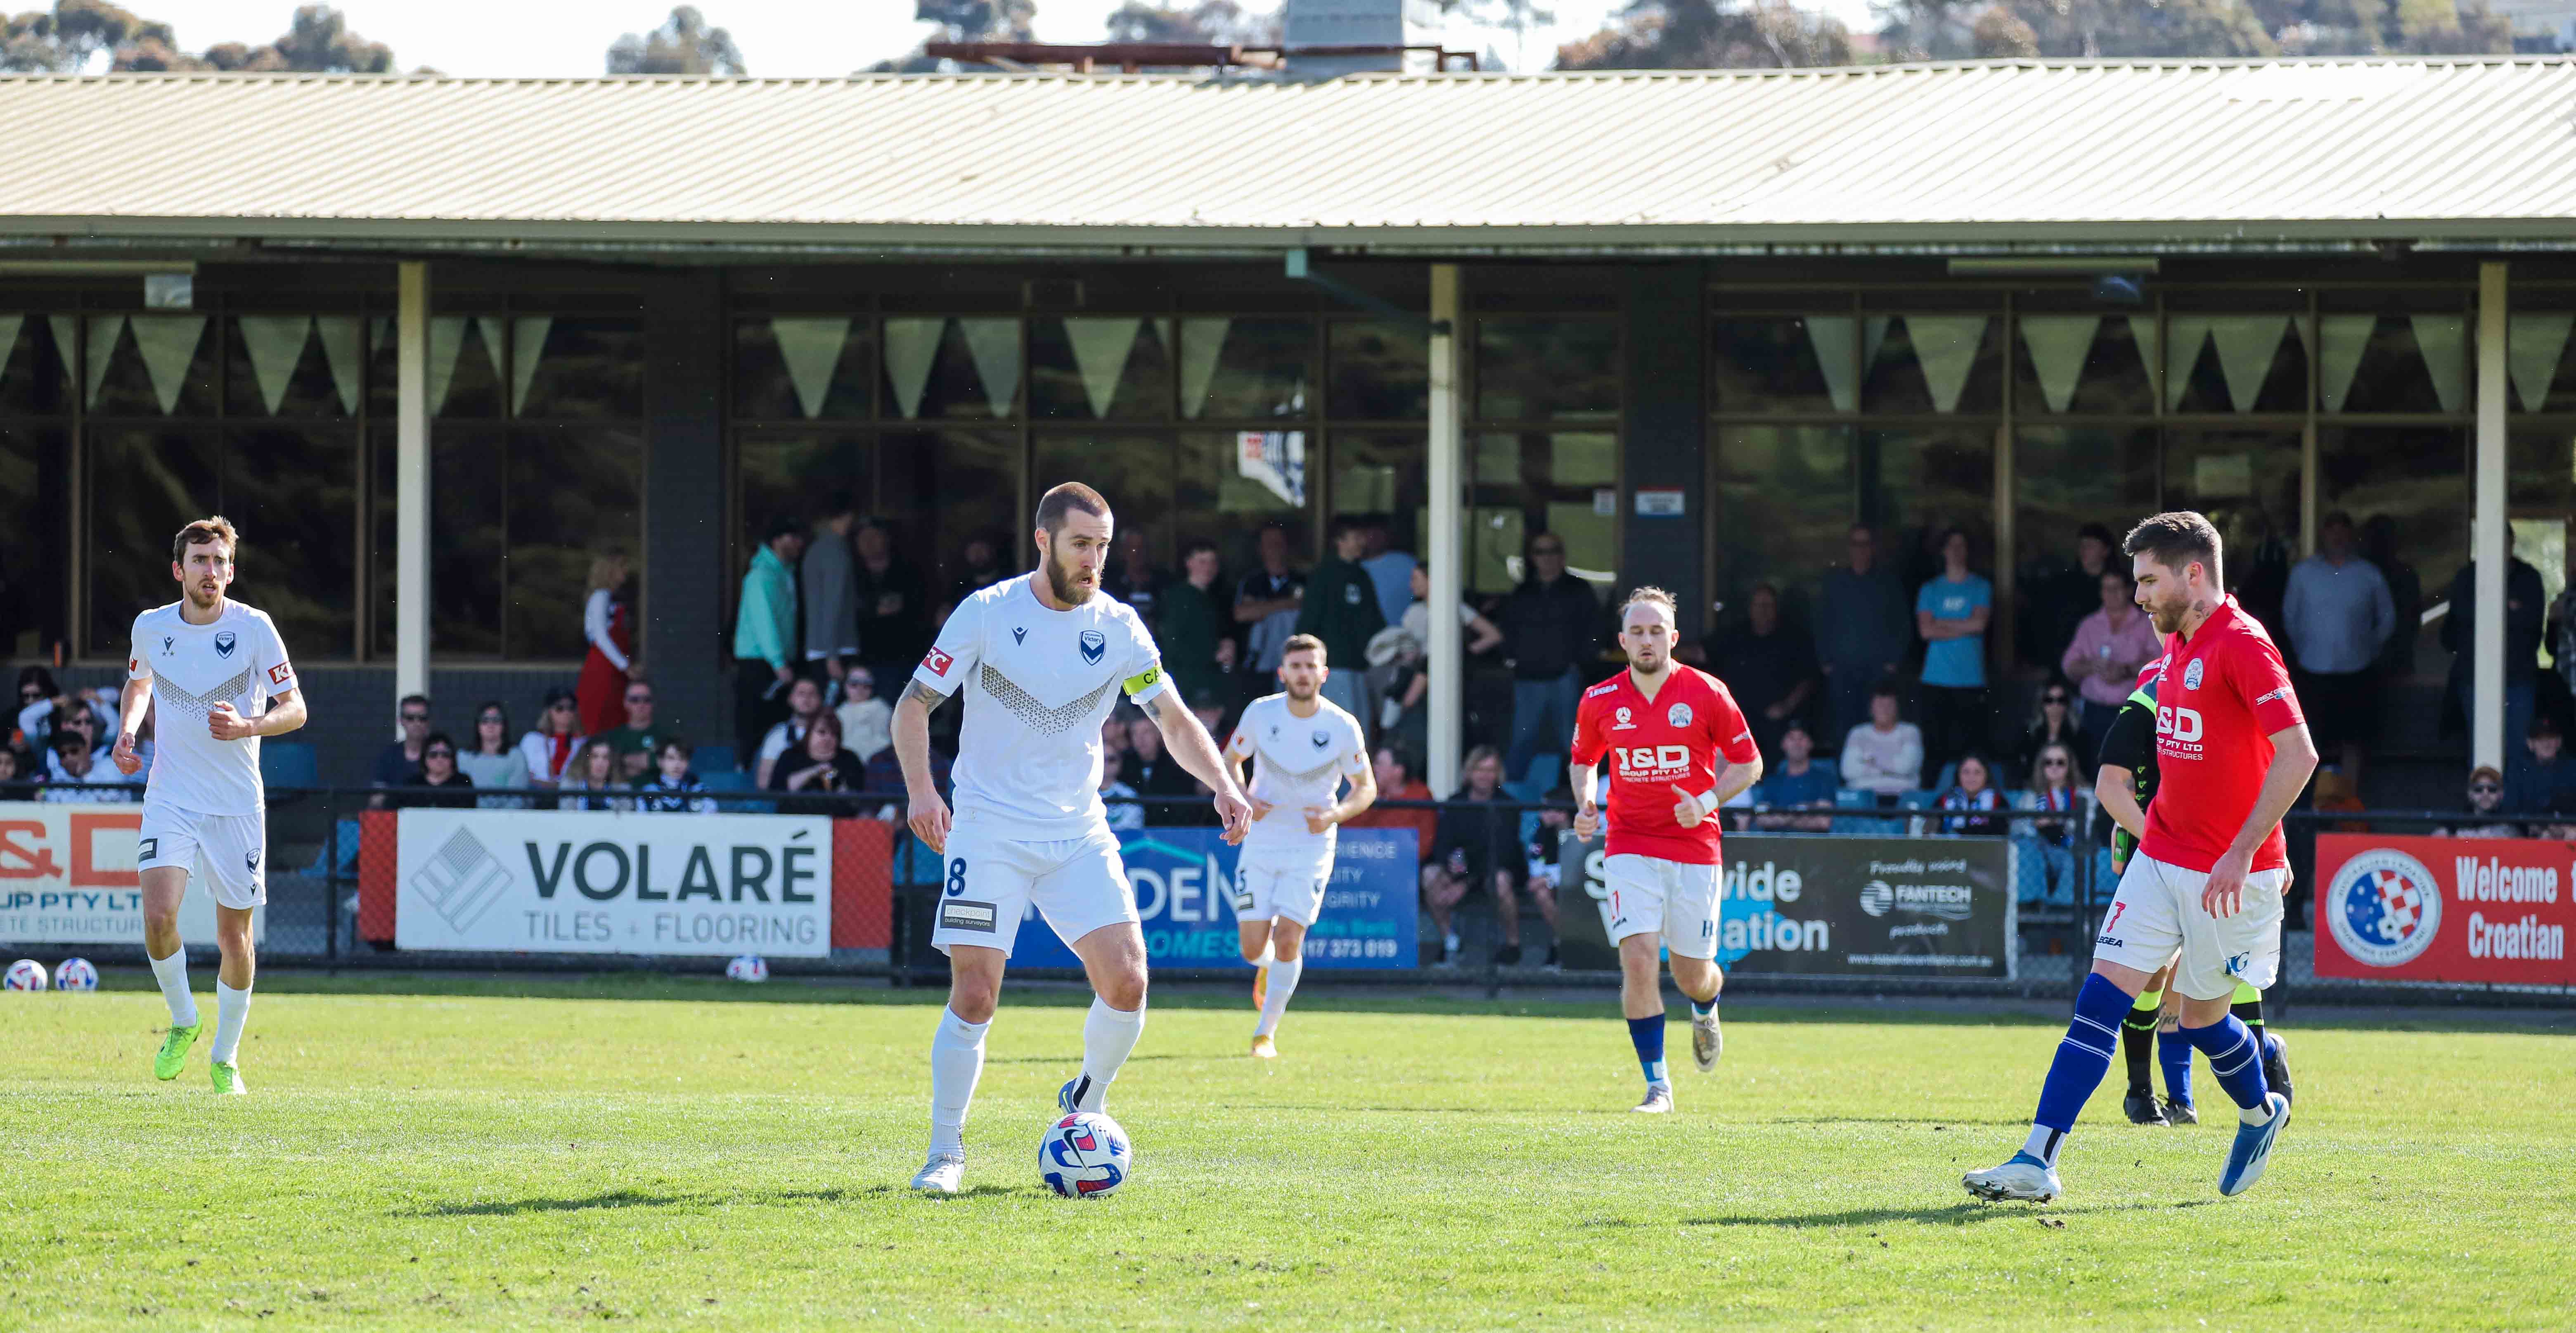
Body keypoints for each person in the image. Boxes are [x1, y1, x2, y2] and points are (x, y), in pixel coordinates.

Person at [894, 481, 1250, 1195]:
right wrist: (923, 792)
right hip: (988, 829)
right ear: (1044, 541)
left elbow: (1172, 718)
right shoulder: (988, 613)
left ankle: (1087, 1099)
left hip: (1078, 831)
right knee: (976, 995)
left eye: (1103, 546)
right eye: (1082, 544)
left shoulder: (1120, 627)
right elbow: (913, 704)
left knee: (1129, 981)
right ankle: (944, 1152)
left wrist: (1222, 782)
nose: (1095, 560)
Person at [1966, 510, 2312, 1205]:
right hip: (2161, 859)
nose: (2139, 596)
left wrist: (2244, 851)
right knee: (2098, 1001)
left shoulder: (2243, 645)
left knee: (2204, 1021)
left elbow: (2298, 755)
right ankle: (2037, 1159)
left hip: (2230, 876)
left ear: (2194, 574)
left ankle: (2258, 1112)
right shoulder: (2175, 644)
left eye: (2150, 580)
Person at [112, 516, 308, 1098]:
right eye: (200, 560)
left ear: (232, 570)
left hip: (235, 804)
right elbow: (139, 683)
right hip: (170, 795)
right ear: (179, 570)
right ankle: (183, 1020)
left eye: (220, 561)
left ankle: (226, 1058)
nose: (211, 570)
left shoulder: (255, 627)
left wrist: (248, 725)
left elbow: (295, 708)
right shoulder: (151, 626)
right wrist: (128, 731)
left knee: (234, 938)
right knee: (158, 918)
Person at [1570, 586, 1764, 1114]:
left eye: (1656, 631)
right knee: (1637, 959)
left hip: (1694, 847)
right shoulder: (1600, 699)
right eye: (1637, 631)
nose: (1647, 640)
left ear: (1673, 638)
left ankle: (1706, 1005)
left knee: (1691, 974)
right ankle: (1658, 1087)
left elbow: (1749, 764)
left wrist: (1705, 801)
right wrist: (1586, 803)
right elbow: (1584, 760)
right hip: (1628, 842)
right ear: (1622, 640)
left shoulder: (1707, 692)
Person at [2093, 658, 2294, 1129]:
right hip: (2154, 846)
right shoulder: (2149, 689)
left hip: (2220, 848)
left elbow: (2261, 773)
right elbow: (2120, 780)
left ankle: (2262, 1064)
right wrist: (2132, 832)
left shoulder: (2231, 683)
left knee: (2231, 965)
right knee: (2152, 973)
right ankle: (2142, 1091)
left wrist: (2275, 847)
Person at [1221, 633, 1375, 1058]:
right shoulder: (1260, 713)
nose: (1303, 674)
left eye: (1311, 666)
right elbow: (1230, 760)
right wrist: (1244, 799)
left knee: (1290, 938)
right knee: (1253, 948)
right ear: (1282, 672)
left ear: (1324, 674)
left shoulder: (1342, 725)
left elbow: (1366, 788)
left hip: (1311, 844)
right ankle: (1267, 968)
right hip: (1262, 840)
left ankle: (1265, 1034)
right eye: (1296, 666)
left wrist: (1334, 815)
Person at [2282, 511, 2395, 790]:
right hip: (2313, 671)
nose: (2337, 538)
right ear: (2323, 535)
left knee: (2354, 739)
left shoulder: (2368, 574)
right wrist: (2304, 651)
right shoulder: (2303, 574)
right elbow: (2290, 618)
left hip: (2357, 670)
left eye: (2342, 531)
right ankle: (2309, 800)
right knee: (2310, 739)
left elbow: (2387, 617)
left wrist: (2370, 649)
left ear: (2351, 536)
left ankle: (2349, 801)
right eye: (2332, 531)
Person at [1423, 745, 1549, 967]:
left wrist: (1466, 883)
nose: (1485, 776)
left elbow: (1503, 852)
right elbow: (1443, 843)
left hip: (1498, 869)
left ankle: (1513, 945)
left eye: (1491, 770)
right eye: (1480, 770)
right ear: (1470, 772)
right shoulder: (1456, 802)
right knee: (1430, 874)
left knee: (1500, 881)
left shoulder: (1508, 804)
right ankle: (1451, 942)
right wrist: (1449, 869)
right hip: (1464, 870)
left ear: (1498, 774)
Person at [1498, 531, 1602, 782]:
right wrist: (1513, 658)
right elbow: (1508, 630)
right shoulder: (1522, 592)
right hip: (1527, 678)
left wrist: (1579, 664)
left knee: (1572, 742)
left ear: (1562, 555)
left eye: (1553, 551)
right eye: (1540, 552)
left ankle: (1576, 796)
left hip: (1565, 677)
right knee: (1521, 741)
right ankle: (1510, 799)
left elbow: (1596, 630)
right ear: (1533, 557)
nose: (1547, 557)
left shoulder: (1579, 590)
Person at [2439, 542, 2545, 750]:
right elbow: (2458, 622)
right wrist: (2509, 607)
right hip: (2475, 676)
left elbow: (2533, 626)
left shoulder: (2528, 578)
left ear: (2512, 545)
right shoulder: (2466, 578)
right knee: (2480, 747)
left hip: (2518, 677)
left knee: (2518, 746)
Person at [1696, 582, 1818, 763]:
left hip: (1778, 720)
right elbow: (1702, 654)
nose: (1763, 610)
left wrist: (1787, 706)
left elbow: (1808, 678)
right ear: (1750, 608)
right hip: (1739, 718)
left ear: (1776, 608)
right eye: (1758, 605)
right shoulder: (1735, 635)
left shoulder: (1794, 638)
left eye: (1768, 605)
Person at [1817, 524, 1913, 747]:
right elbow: (1822, 622)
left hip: (1878, 671)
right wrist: (1825, 661)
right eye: (1856, 544)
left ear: (1873, 548)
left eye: (1866, 543)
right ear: (1849, 548)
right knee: (1843, 727)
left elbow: (1903, 625)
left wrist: (1893, 661)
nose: (1861, 549)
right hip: (1842, 670)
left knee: (1878, 726)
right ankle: (1845, 770)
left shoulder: (1888, 583)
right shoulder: (1835, 583)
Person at [1293, 517, 1387, 726]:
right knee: (1340, 725)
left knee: (1361, 727)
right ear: (1339, 541)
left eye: (1362, 537)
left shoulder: (1362, 576)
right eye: (1356, 537)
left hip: (1362, 667)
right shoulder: (1324, 574)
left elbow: (1375, 621)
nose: (1362, 542)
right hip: (1334, 666)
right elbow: (1309, 619)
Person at [1915, 527, 1993, 777]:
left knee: (1970, 752)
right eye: (1952, 545)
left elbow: (1979, 625)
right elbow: (1926, 631)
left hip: (1970, 679)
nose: (1957, 551)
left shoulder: (1980, 587)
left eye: (1962, 545)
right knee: (1934, 751)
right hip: (1935, 678)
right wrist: (1964, 625)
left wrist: (1941, 623)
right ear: (1944, 550)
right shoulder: (1930, 589)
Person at [2060, 567, 2159, 763]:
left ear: (2129, 590)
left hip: (2134, 710)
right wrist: (2092, 667)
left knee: (2133, 769)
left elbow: (2161, 664)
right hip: (2095, 713)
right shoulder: (2089, 625)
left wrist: (2126, 670)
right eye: (2107, 589)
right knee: (2095, 767)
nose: (2111, 594)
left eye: (2117, 588)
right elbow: (2069, 666)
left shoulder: (2147, 623)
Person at [732, 514, 803, 763]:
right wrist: (779, 662)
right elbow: (764, 621)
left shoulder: (785, 573)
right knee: (754, 727)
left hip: (778, 662)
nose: (799, 543)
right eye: (793, 537)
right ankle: (748, 779)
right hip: (760, 663)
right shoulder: (761, 576)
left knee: (777, 728)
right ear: (776, 541)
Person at [1158, 538, 1238, 714]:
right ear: (1189, 563)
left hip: (1211, 682)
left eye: (1213, 562)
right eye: (1202, 562)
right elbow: (1172, 645)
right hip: (1186, 686)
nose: (1208, 568)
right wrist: (1214, 654)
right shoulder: (1177, 598)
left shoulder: (1216, 598)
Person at [853, 517, 932, 689]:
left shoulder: (907, 572)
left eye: (874, 536)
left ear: (886, 538)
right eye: (863, 538)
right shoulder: (853, 575)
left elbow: (921, 611)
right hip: (863, 658)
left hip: (903, 658)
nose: (868, 543)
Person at [2028, 524, 2117, 675]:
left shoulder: (2118, 587)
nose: (2084, 550)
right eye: (2082, 546)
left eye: (2090, 546)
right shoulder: (2063, 586)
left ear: (2106, 551)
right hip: (2068, 665)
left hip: (2110, 664)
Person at [802, 493, 861, 696]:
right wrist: (832, 654)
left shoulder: (816, 549)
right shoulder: (835, 551)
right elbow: (833, 604)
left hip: (821, 647)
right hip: (836, 648)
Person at [2012, 744, 2087, 905]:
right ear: (2041, 766)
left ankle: (2063, 903)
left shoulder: (2084, 794)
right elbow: (2018, 828)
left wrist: (2059, 824)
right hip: (2040, 848)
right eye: (2049, 762)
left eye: (2060, 762)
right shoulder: (2030, 796)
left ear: (2069, 766)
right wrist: (2036, 825)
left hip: (2070, 847)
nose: (2054, 767)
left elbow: (2088, 828)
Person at [575, 549, 638, 738]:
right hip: (605, 669)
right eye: (622, 567)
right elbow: (600, 637)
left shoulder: (609, 598)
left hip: (612, 669)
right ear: (610, 571)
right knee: (603, 719)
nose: (626, 571)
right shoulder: (601, 597)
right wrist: (625, 665)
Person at [1235, 523, 1307, 686]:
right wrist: (1287, 604)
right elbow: (1242, 614)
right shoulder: (1252, 582)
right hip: (1258, 666)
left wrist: (1263, 608)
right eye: (1269, 544)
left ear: (1287, 547)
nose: (1275, 548)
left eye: (1279, 543)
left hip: (1294, 663)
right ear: (1260, 549)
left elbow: (1306, 609)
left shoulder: (1302, 580)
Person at [1345, 745, 1436, 861]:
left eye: (1380, 764)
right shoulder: (1369, 794)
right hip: (1366, 862)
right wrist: (1371, 802)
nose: (1374, 768)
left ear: (1398, 771)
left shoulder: (1420, 796)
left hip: (1405, 865)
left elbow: (1424, 845)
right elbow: (1347, 835)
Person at [766, 711, 866, 810]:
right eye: (822, 732)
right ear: (809, 733)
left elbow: (858, 801)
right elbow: (776, 793)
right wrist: (814, 772)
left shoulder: (850, 759)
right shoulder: (790, 756)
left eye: (834, 734)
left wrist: (835, 781)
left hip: (838, 817)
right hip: (794, 816)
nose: (828, 738)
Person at [1839, 682, 1924, 795]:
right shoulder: (1858, 733)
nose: (1885, 710)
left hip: (1901, 797)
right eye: (1880, 705)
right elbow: (1848, 771)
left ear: (1897, 708)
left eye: (1890, 705)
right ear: (1871, 708)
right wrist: (1891, 766)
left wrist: (1870, 761)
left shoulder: (1910, 732)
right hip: (1864, 798)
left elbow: (1906, 767)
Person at [1752, 721, 1836, 833]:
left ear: (1811, 744)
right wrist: (1799, 812)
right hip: (1778, 842)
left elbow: (1823, 822)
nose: (1797, 744)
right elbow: (1761, 820)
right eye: (1792, 738)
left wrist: (1782, 818)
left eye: (1802, 738)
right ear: (1783, 744)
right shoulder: (1773, 781)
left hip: (1810, 842)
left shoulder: (1824, 779)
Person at [596, 681, 680, 784]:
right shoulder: (612, 736)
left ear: (654, 703)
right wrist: (649, 761)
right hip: (620, 792)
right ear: (625, 703)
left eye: (647, 700)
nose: (641, 705)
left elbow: (675, 764)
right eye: (635, 700)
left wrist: (623, 760)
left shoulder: (666, 736)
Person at [456, 700, 533, 809]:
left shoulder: (516, 756)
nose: (490, 725)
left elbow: (517, 798)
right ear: (478, 725)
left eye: (496, 720)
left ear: (504, 725)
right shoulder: (463, 757)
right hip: (470, 816)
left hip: (508, 817)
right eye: (485, 720)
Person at [755, 676, 829, 788]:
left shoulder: (831, 734)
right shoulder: (778, 736)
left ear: (820, 700)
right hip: (787, 797)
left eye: (812, 694)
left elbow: (834, 772)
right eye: (801, 694)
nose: (807, 698)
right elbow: (764, 783)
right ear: (791, 699)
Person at [2503, 713, 2576, 816]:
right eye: (2540, 739)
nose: (2546, 744)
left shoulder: (2572, 769)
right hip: (2528, 826)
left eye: (2551, 738)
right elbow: (2511, 809)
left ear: (2559, 742)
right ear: (2530, 744)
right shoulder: (2518, 771)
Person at [41, 725, 137, 802]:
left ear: (86, 750)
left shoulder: (110, 766)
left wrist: (86, 775)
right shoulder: (58, 780)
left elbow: (111, 800)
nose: (68, 758)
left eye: (74, 751)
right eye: (62, 755)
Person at [2016, 682, 2086, 784]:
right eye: (2049, 700)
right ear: (2041, 703)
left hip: (2071, 788)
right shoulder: (2029, 732)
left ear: (2067, 703)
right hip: (2034, 787)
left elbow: (2084, 768)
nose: (2055, 705)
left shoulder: (2080, 734)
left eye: (2061, 700)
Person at [518, 687, 585, 791]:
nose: (566, 712)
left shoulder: (583, 743)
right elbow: (524, 776)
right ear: (549, 711)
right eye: (560, 708)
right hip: (536, 795)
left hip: (570, 797)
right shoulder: (531, 740)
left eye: (571, 708)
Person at [369, 693, 431, 806]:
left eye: (422, 718)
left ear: (428, 721)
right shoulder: (388, 756)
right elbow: (376, 799)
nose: (417, 723)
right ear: (401, 721)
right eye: (410, 718)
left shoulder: (440, 755)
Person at [1358, 515, 1416, 627]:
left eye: (1379, 534)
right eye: (1370, 534)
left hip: (1403, 632)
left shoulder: (1406, 563)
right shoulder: (1355, 567)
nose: (1374, 539)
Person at [1102, 528, 1167, 628]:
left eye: (1142, 548)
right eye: (1132, 549)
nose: (1138, 554)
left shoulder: (1163, 582)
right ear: (1122, 551)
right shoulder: (1110, 583)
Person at [634, 738, 715, 814]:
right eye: (671, 758)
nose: (677, 765)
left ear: (689, 762)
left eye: (682, 759)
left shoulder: (702, 792)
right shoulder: (646, 793)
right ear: (660, 761)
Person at [2438, 764, 2520, 839]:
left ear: (2501, 794)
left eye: (2492, 789)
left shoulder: (2511, 828)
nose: (2485, 794)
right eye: (2478, 789)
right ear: (2470, 794)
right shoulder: (2455, 825)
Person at [1934, 753, 2007, 836]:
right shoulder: (1943, 802)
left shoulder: (1999, 803)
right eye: (1966, 772)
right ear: (1958, 775)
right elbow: (1931, 833)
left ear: (1987, 775)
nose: (1971, 777)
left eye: (1977, 773)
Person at [833, 666, 894, 764]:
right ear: (845, 685)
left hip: (878, 764)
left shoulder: (882, 708)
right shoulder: (838, 713)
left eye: (867, 684)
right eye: (854, 683)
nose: (860, 688)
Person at [406, 733, 476, 809]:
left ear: (452, 758)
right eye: (433, 754)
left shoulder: (463, 782)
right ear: (424, 758)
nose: (440, 759)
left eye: (445, 754)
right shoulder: (413, 784)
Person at [557, 739, 630, 812]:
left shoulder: (621, 788)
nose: (600, 763)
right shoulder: (571, 785)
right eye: (595, 757)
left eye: (606, 758)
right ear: (585, 760)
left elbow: (626, 815)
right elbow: (567, 814)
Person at [1099, 748, 1144, 832]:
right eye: (1102, 759)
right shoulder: (1085, 794)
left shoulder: (1129, 794)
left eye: (1112, 759)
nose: (1106, 764)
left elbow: (1133, 827)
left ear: (1120, 763)